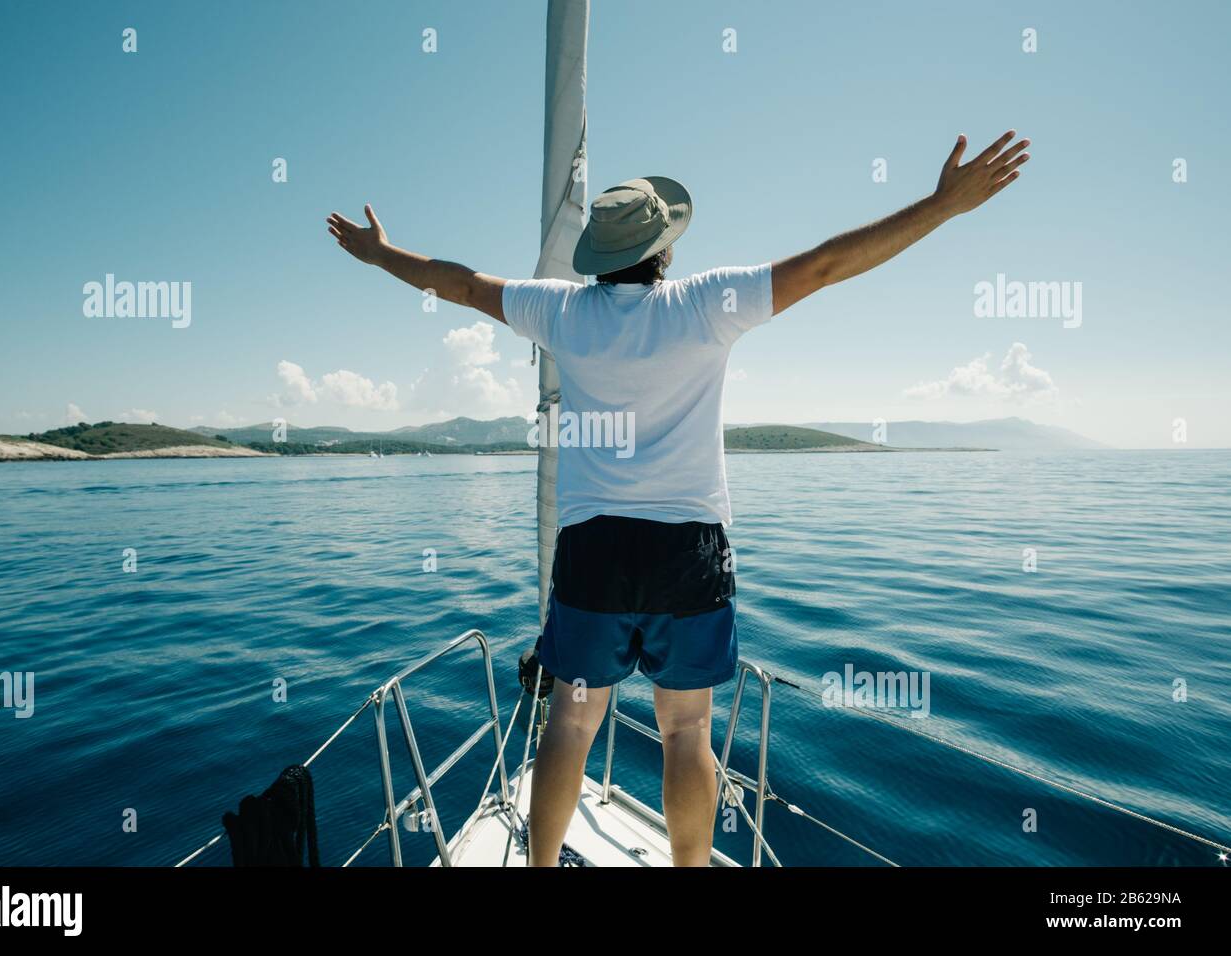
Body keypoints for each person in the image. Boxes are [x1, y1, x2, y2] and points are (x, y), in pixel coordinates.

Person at [327, 130, 1030, 866]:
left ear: (598, 255)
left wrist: (381, 255)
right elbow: (825, 266)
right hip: (687, 551)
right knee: (687, 730)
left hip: (594, 545)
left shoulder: (561, 312)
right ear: (666, 247)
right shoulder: (705, 304)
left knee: (569, 722)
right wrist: (943, 207)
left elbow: (462, 282)